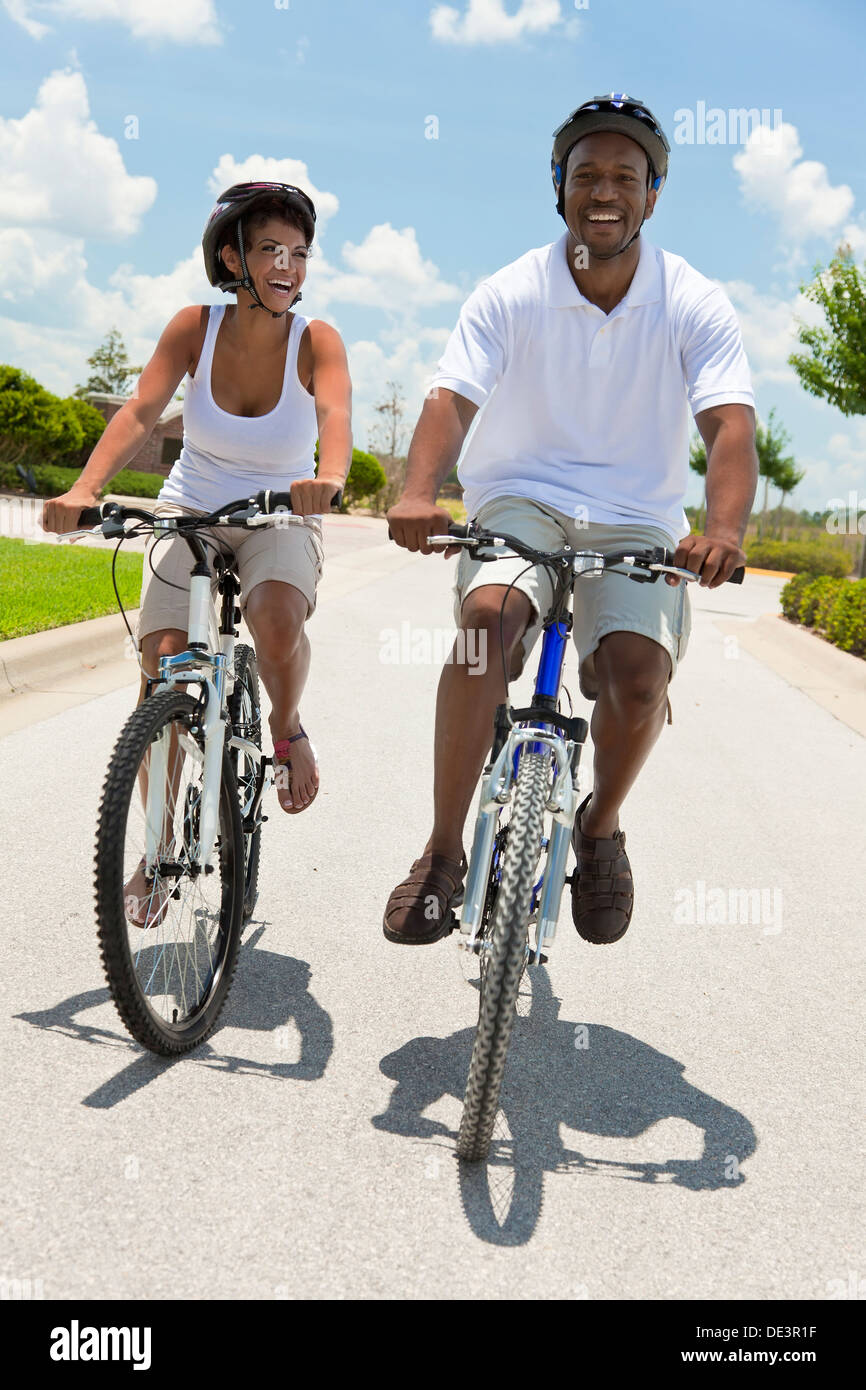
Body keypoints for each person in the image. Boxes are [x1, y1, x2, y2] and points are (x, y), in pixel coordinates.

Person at [384, 94, 757, 947]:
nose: (604, 189)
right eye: (585, 172)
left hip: (636, 518)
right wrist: (417, 490)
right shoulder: (512, 290)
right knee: (487, 624)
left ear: (652, 196)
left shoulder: (691, 300)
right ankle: (442, 854)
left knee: (636, 676)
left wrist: (724, 529)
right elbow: (451, 398)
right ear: (558, 187)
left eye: (626, 175)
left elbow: (729, 424)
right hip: (521, 497)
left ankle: (600, 829)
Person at [43, 181, 351, 917]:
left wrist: (329, 477)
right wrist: (84, 490)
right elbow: (142, 408)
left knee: (277, 616)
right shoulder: (193, 327)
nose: (288, 266)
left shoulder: (317, 341)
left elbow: (335, 413)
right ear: (231, 256)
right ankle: (154, 852)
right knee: (162, 666)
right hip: (194, 504)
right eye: (271, 249)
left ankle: (285, 725)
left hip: (282, 509)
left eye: (300, 253)